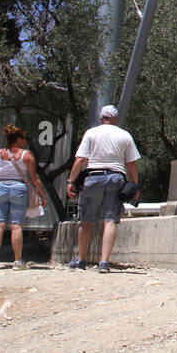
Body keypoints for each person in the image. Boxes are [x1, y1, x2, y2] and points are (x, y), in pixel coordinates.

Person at [66, 104, 140, 274]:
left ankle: (81, 260)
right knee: (110, 219)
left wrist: (71, 180)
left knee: (86, 220)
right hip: (116, 177)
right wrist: (135, 185)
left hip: (93, 177)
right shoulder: (124, 135)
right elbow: (131, 164)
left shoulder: (91, 133)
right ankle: (104, 262)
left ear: (101, 118)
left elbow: (81, 159)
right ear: (115, 119)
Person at [0, 124, 48, 270]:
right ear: (18, 140)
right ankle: (18, 261)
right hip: (18, 188)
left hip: (0, 187)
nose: (25, 141)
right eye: (24, 138)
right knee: (16, 226)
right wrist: (42, 195)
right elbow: (34, 178)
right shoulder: (26, 155)